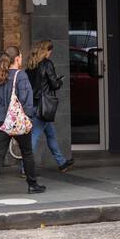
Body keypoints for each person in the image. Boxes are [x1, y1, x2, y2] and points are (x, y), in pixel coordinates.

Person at [0, 45, 44, 198]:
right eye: (21, 57)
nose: (22, 59)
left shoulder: (0, 74)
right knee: (27, 152)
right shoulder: (21, 75)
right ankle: (32, 184)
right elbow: (26, 100)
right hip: (16, 120)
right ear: (17, 59)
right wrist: (28, 118)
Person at [25, 39, 73, 174]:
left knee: (51, 134)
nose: (51, 53)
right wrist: (59, 81)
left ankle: (62, 163)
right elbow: (54, 84)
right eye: (50, 51)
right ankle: (25, 168)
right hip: (44, 106)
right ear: (47, 51)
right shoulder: (47, 64)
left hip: (33, 104)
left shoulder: (31, 64)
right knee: (34, 136)